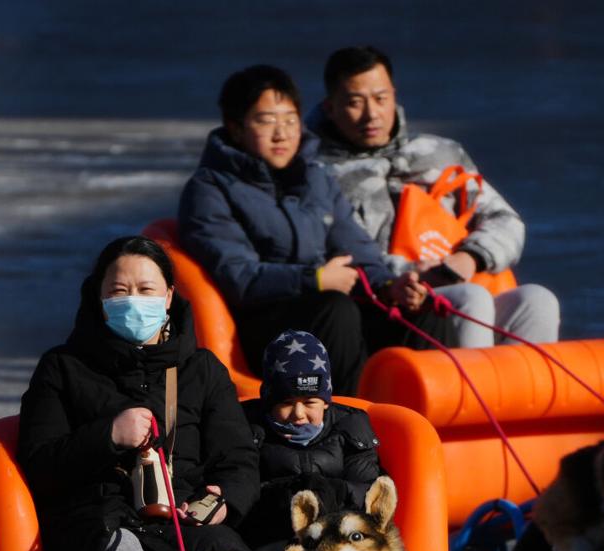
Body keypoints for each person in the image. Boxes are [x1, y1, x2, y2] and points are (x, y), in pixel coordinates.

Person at [177, 64, 456, 396]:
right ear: (236, 128)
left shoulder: (316, 177)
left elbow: (356, 244)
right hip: (261, 327)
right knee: (336, 308)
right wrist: (315, 279)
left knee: (423, 313)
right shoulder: (210, 189)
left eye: (290, 120)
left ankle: (428, 426)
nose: (281, 134)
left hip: (327, 314)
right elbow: (238, 276)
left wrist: (390, 286)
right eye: (266, 121)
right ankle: (354, 427)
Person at [18, 235, 259, 551]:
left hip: (182, 516)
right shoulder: (62, 368)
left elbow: (238, 458)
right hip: (98, 520)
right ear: (98, 298)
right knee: (121, 550)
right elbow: (38, 465)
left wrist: (224, 500)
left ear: (168, 297)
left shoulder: (202, 370)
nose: (133, 301)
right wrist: (108, 436)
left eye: (146, 289)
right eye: (119, 291)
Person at [307, 45, 561, 349]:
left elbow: (505, 220)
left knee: (537, 301)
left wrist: (470, 257)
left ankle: (530, 396)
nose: (371, 113)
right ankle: (472, 395)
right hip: (392, 307)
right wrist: (414, 275)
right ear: (330, 108)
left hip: (463, 278)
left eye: (380, 98)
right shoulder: (319, 174)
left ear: (394, 95)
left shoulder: (439, 153)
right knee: (470, 299)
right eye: (354, 102)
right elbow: (337, 254)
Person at [237, 330, 385, 551]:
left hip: (340, 543)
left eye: (310, 402)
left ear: (326, 402)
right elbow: (239, 493)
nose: (298, 413)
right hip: (271, 542)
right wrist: (288, 494)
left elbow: (369, 492)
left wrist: (334, 491)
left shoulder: (351, 426)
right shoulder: (249, 430)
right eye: (286, 402)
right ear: (269, 402)